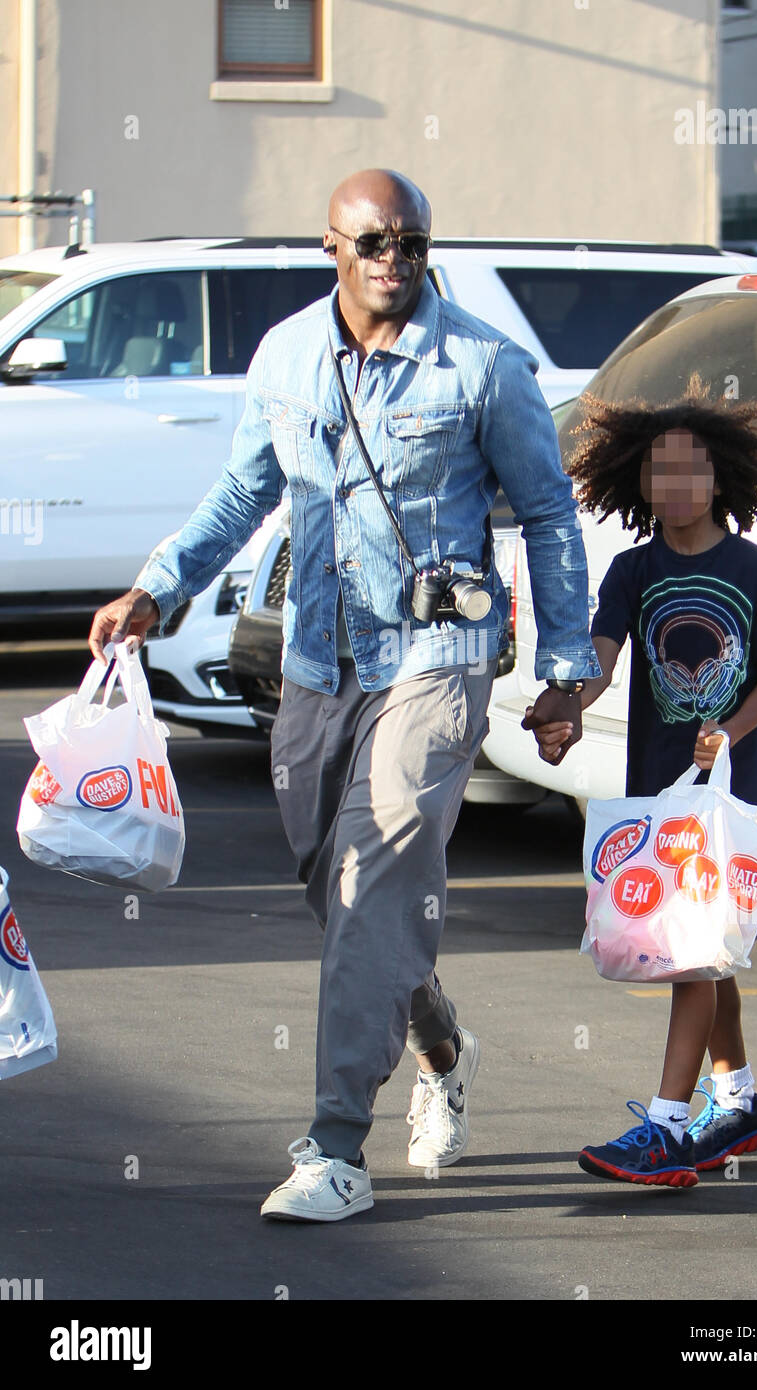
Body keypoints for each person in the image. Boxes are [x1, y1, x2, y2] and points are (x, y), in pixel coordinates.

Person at [88, 169, 600, 1222]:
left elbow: (548, 514)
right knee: (344, 896)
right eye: (373, 243)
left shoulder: (482, 365)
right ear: (332, 246)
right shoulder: (284, 356)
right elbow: (242, 488)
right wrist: (157, 585)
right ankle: (441, 1044)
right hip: (316, 665)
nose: (393, 262)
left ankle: (333, 1146)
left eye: (411, 243)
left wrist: (559, 672)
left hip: (438, 656)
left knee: (372, 887)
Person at [522, 377, 757, 1186]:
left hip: (730, 795)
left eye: (692, 471)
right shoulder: (633, 571)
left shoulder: (754, 570)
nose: (675, 487)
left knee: (692, 957)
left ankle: (671, 1129)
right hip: (657, 792)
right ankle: (737, 1098)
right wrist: (564, 707)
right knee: (704, 953)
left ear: (723, 480)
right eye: (659, 472)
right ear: (638, 483)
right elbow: (602, 667)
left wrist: (729, 734)